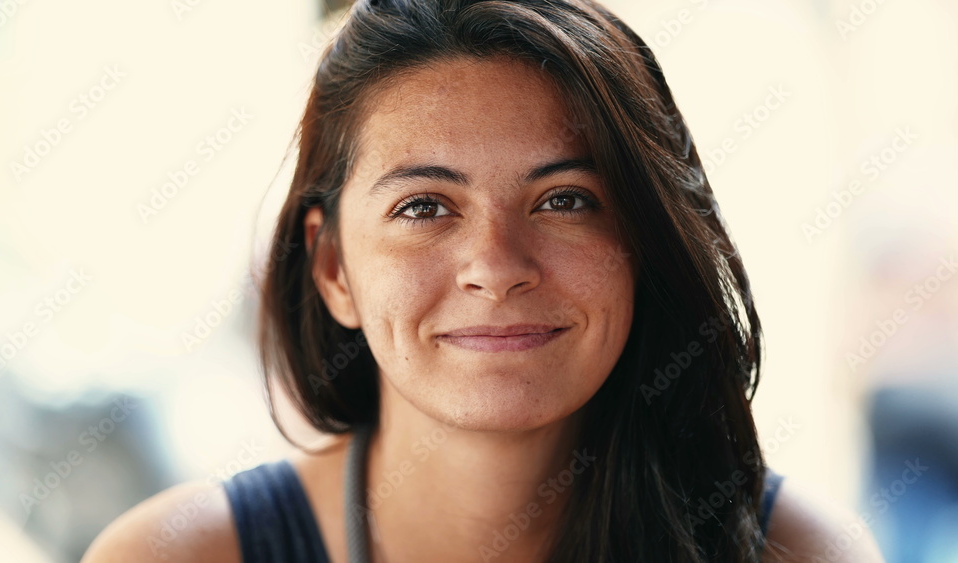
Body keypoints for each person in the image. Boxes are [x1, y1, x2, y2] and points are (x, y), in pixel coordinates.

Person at [82, 0, 885, 561]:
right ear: (334, 268)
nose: (496, 265)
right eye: (425, 206)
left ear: (644, 241)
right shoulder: (176, 554)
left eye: (565, 200)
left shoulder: (797, 551)